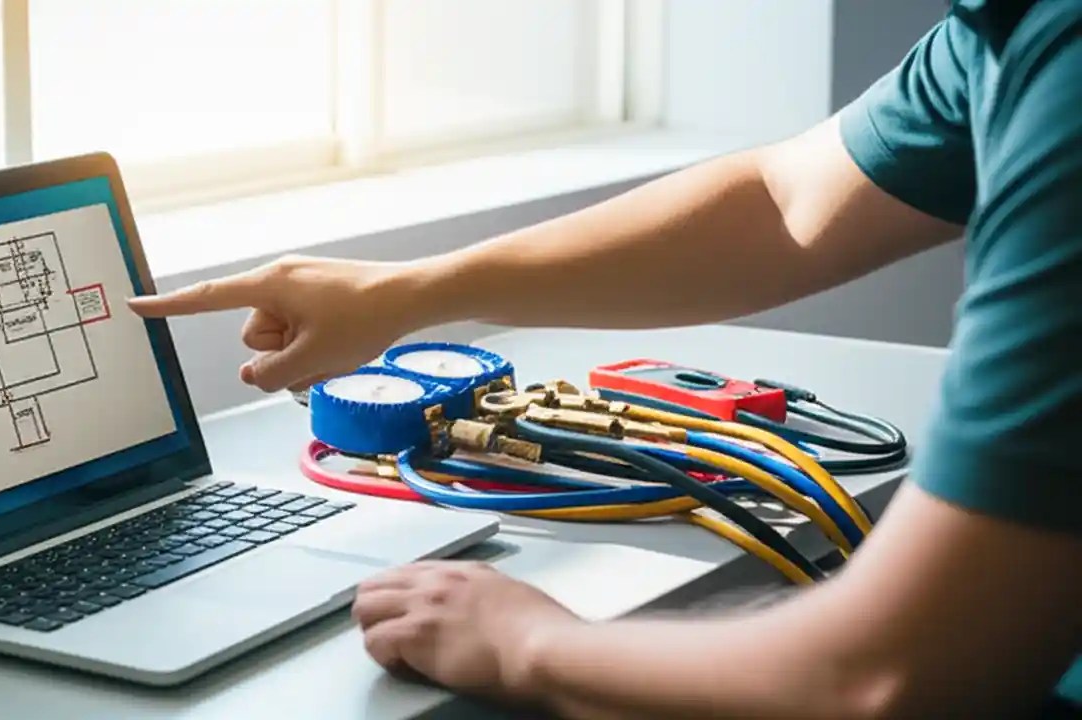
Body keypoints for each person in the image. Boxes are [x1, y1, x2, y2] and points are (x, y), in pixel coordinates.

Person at [129, 2, 1082, 717]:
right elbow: (785, 203)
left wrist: (528, 644)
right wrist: (408, 292)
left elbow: (889, 675)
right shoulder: (1007, 32)